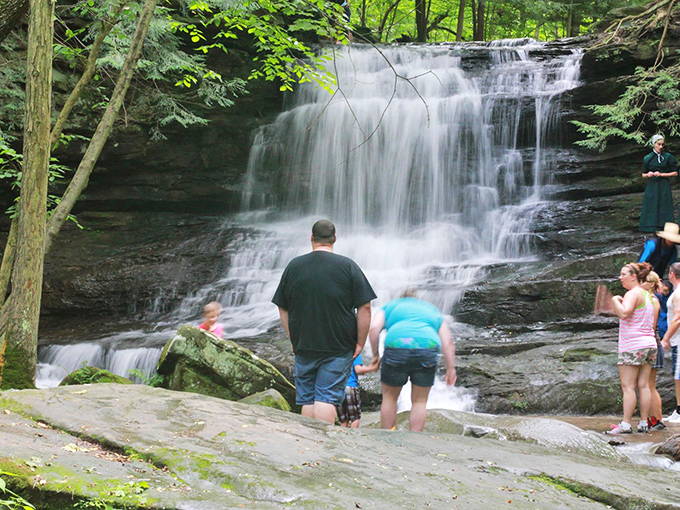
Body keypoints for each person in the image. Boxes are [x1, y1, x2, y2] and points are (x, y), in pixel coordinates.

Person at [272, 220, 376, 424]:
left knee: (308, 399)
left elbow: (282, 306)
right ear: (334, 239)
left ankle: (307, 448)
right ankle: (322, 448)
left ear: (312, 238)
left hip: (304, 343)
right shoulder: (348, 266)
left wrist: (293, 337)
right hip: (338, 344)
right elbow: (365, 307)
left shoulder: (294, 266)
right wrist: (360, 342)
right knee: (326, 397)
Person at [368, 291, 456, 432]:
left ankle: (388, 434)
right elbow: (448, 341)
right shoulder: (431, 309)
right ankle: (415, 436)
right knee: (420, 401)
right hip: (426, 351)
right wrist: (451, 369)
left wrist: (375, 356)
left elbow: (373, 329)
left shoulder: (390, 306)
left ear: (401, 298)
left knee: (389, 398)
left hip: (396, 349)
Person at [608, 262, 658, 434]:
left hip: (632, 345)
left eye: (623, 274)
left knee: (628, 386)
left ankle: (626, 424)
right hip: (649, 344)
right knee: (644, 385)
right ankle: (644, 423)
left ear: (633, 276)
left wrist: (615, 300)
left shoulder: (632, 293)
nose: (620, 278)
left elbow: (624, 313)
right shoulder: (647, 295)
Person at [639, 134, 678, 232]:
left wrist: (661, 174)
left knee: (665, 204)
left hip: (664, 184)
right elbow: (643, 174)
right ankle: (650, 226)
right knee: (652, 203)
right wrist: (648, 174)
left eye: (662, 145)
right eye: (658, 144)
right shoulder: (648, 158)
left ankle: (665, 225)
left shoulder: (668, 157)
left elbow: (675, 173)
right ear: (654, 144)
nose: (661, 147)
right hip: (652, 185)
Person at [642, 271, 665, 430]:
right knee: (648, 384)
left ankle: (657, 419)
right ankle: (653, 418)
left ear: (650, 283)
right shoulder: (648, 298)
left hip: (653, 343)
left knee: (650, 384)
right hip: (652, 343)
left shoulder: (653, 300)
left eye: (643, 281)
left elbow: (651, 325)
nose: (640, 283)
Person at [336, 353, 379, 428]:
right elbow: (358, 370)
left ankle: (343, 437)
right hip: (351, 387)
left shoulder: (338, 351)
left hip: (338, 388)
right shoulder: (355, 353)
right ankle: (353, 438)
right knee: (354, 418)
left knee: (343, 419)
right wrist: (372, 368)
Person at [661, 262, 680, 423]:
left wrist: (666, 338)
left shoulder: (678, 293)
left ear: (672, 274)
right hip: (677, 340)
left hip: (679, 340)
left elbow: (677, 319)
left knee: (678, 375)